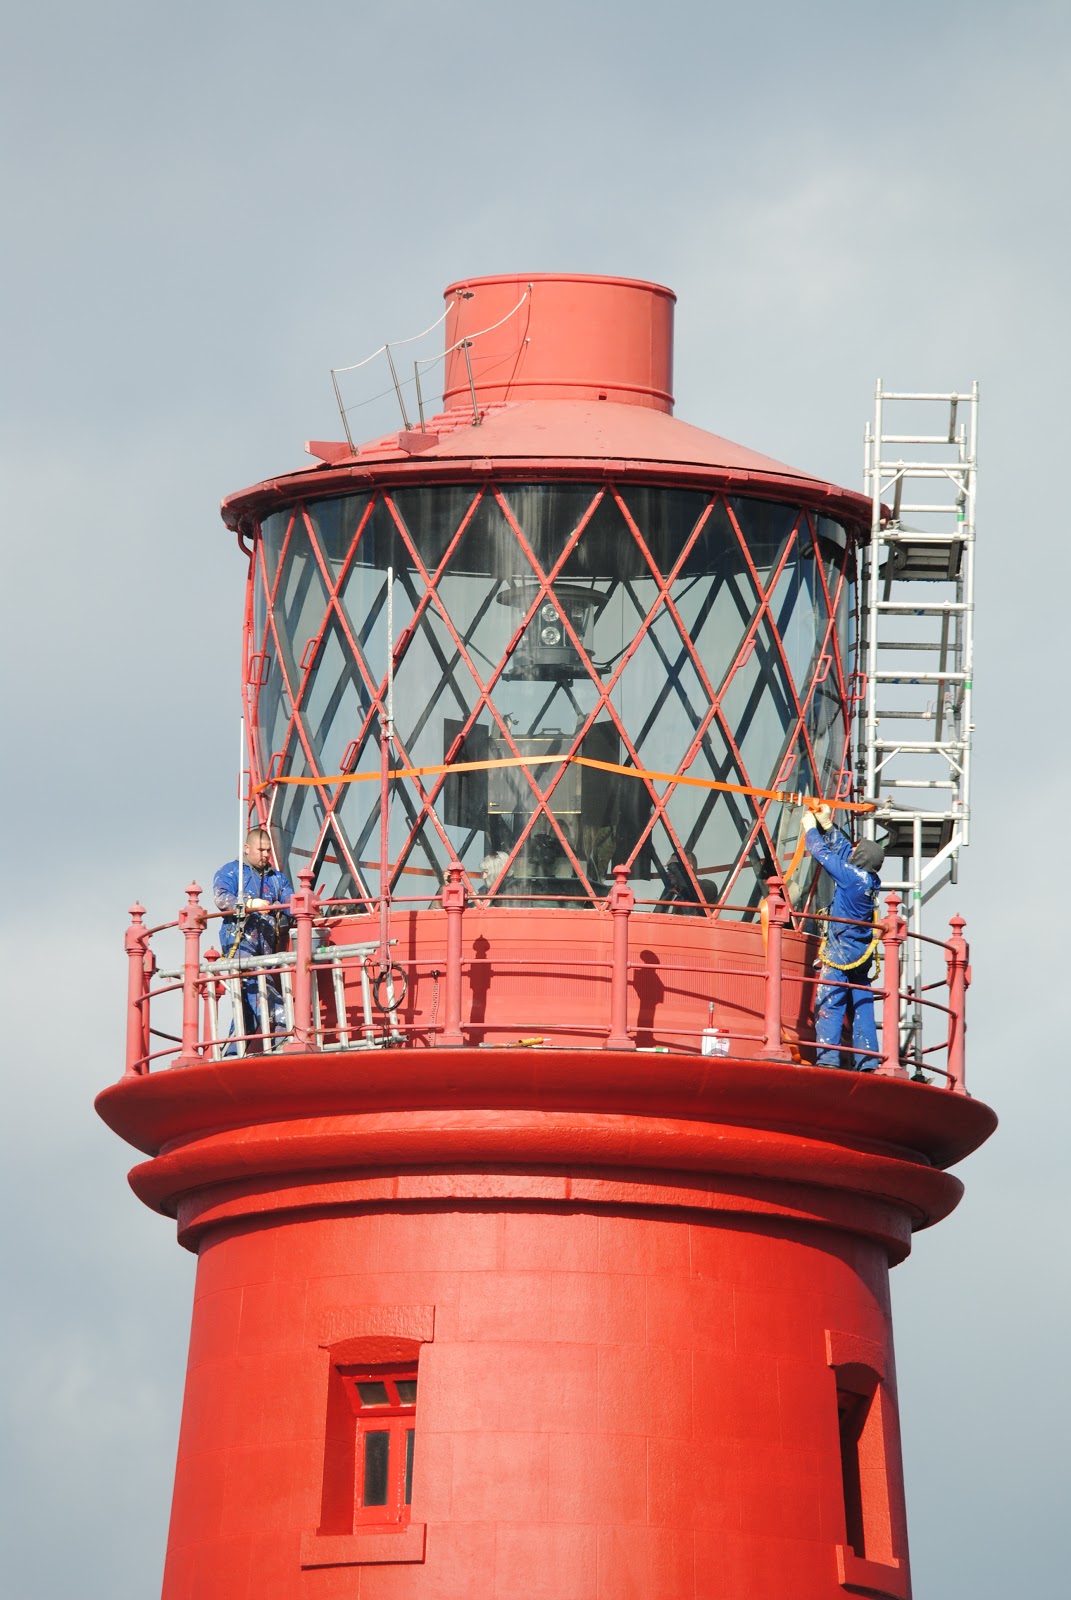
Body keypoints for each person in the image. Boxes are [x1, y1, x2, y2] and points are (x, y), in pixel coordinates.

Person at [800, 805, 885, 1071]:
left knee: (830, 1000)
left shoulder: (850, 878)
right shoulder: (871, 880)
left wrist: (811, 829)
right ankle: (868, 1061)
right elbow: (850, 855)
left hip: (841, 951)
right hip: (862, 953)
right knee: (862, 1003)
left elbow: (822, 854)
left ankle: (827, 1059)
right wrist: (828, 826)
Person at [213, 827, 294, 1047]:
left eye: (268, 850)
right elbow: (221, 898)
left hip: (266, 946)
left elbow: (291, 902)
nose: (266, 854)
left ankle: (231, 1053)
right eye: (261, 849)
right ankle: (282, 1041)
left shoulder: (277, 878)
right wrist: (249, 904)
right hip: (239, 944)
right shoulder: (231, 872)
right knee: (262, 993)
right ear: (247, 848)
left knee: (247, 1007)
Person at [659, 848, 718, 914]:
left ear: (686, 868)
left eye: (673, 868)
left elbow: (692, 896)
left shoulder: (707, 886)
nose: (668, 873)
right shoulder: (678, 897)